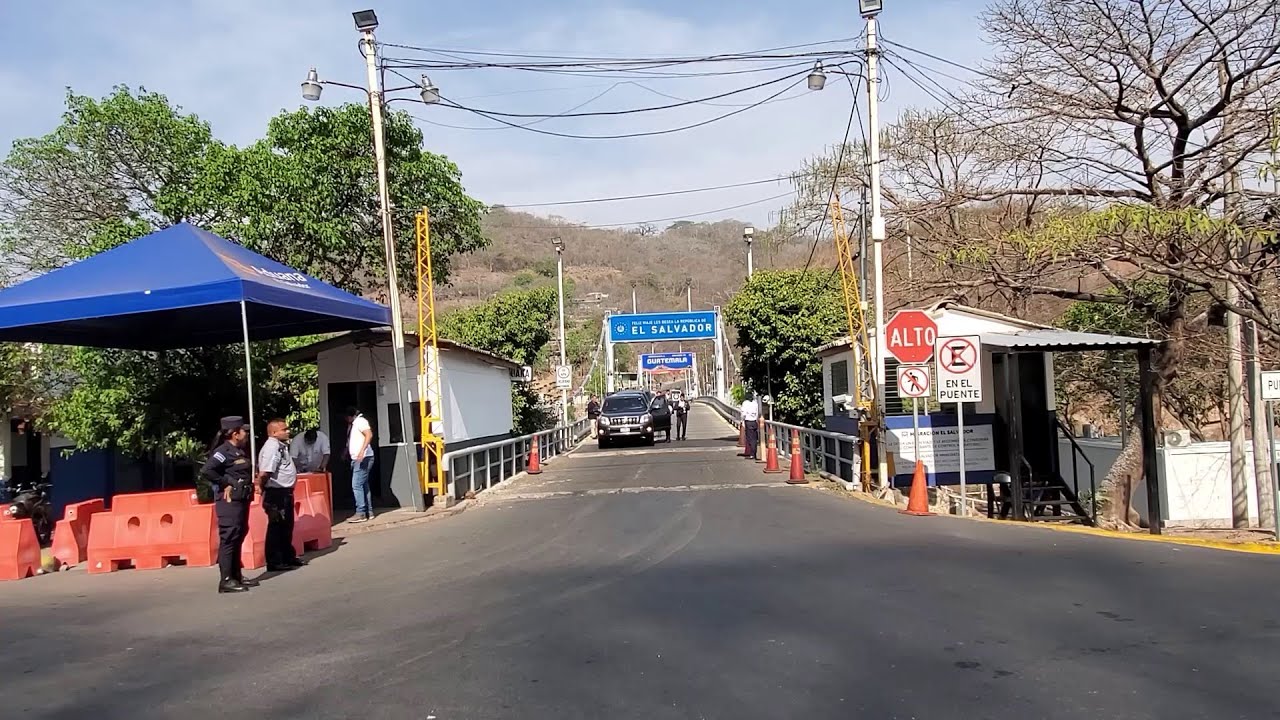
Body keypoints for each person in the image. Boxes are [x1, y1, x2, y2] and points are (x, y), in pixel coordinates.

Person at [200, 416, 259, 594]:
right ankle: (226, 580)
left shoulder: (239, 451)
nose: (246, 434)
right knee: (229, 537)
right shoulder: (222, 452)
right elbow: (207, 470)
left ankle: (236, 575)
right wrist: (225, 482)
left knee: (239, 534)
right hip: (228, 501)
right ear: (235, 434)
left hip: (241, 499)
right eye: (243, 431)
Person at [257, 418, 305, 572]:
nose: (288, 431)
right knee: (277, 526)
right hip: (276, 492)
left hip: (284, 491)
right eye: (284, 429)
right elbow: (265, 472)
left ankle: (287, 556)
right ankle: (275, 561)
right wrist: (261, 487)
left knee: (286, 525)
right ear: (274, 433)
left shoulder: (280, 446)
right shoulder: (272, 447)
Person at [345, 406, 375, 523]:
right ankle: (368, 511)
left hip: (363, 458)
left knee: (356, 485)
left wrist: (362, 451)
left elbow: (369, 434)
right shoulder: (354, 424)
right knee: (363, 485)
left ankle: (361, 512)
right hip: (359, 457)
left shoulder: (360, 422)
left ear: (350, 416)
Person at [740, 395, 760, 460]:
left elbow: (743, 414)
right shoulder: (755, 403)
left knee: (749, 438)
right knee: (754, 438)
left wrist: (742, 421)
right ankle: (754, 453)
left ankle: (752, 454)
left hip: (748, 421)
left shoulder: (745, 403)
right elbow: (757, 413)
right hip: (754, 421)